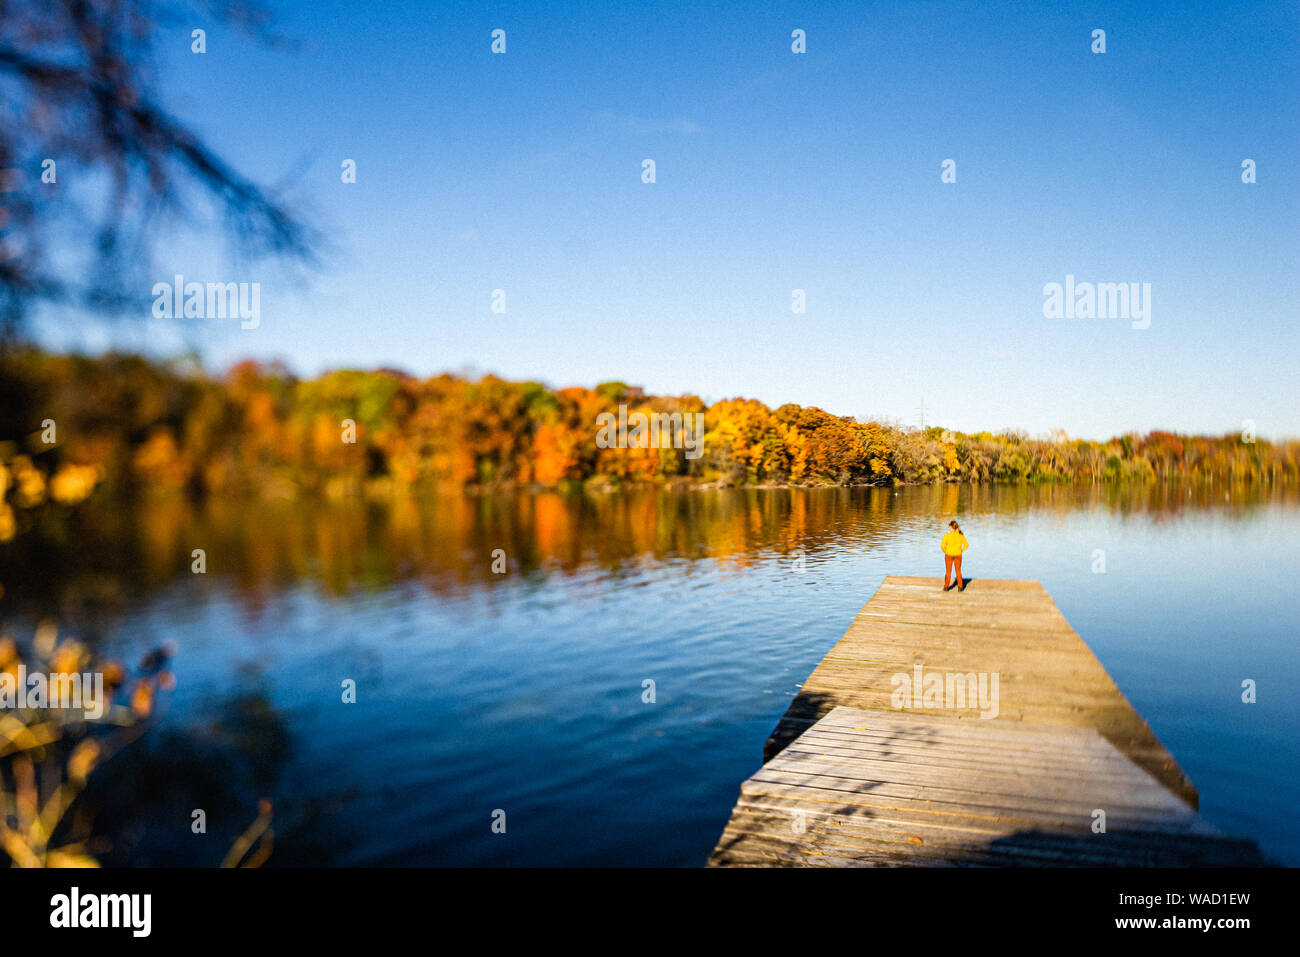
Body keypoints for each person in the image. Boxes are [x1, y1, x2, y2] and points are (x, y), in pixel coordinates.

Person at [941, 520, 968, 591]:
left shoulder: (947, 535)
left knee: (948, 571)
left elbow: (942, 546)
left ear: (951, 527)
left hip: (949, 554)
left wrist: (946, 551)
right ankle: (960, 587)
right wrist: (961, 550)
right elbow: (966, 545)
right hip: (958, 554)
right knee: (958, 571)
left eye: (949, 527)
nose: (949, 528)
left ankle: (946, 587)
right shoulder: (960, 535)